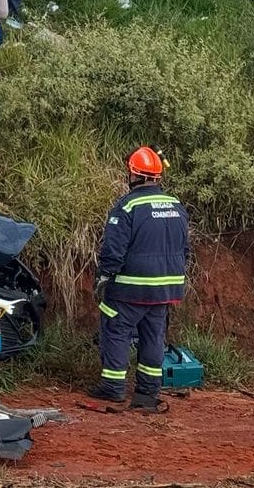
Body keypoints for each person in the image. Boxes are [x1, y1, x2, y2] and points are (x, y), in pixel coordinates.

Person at [90, 146, 189, 412]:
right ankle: (147, 390)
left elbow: (113, 249)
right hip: (166, 289)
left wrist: (104, 277)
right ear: (157, 177)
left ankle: (113, 387)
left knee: (117, 330)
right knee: (153, 337)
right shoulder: (176, 206)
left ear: (134, 175)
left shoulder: (128, 206)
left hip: (130, 289)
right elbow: (184, 249)